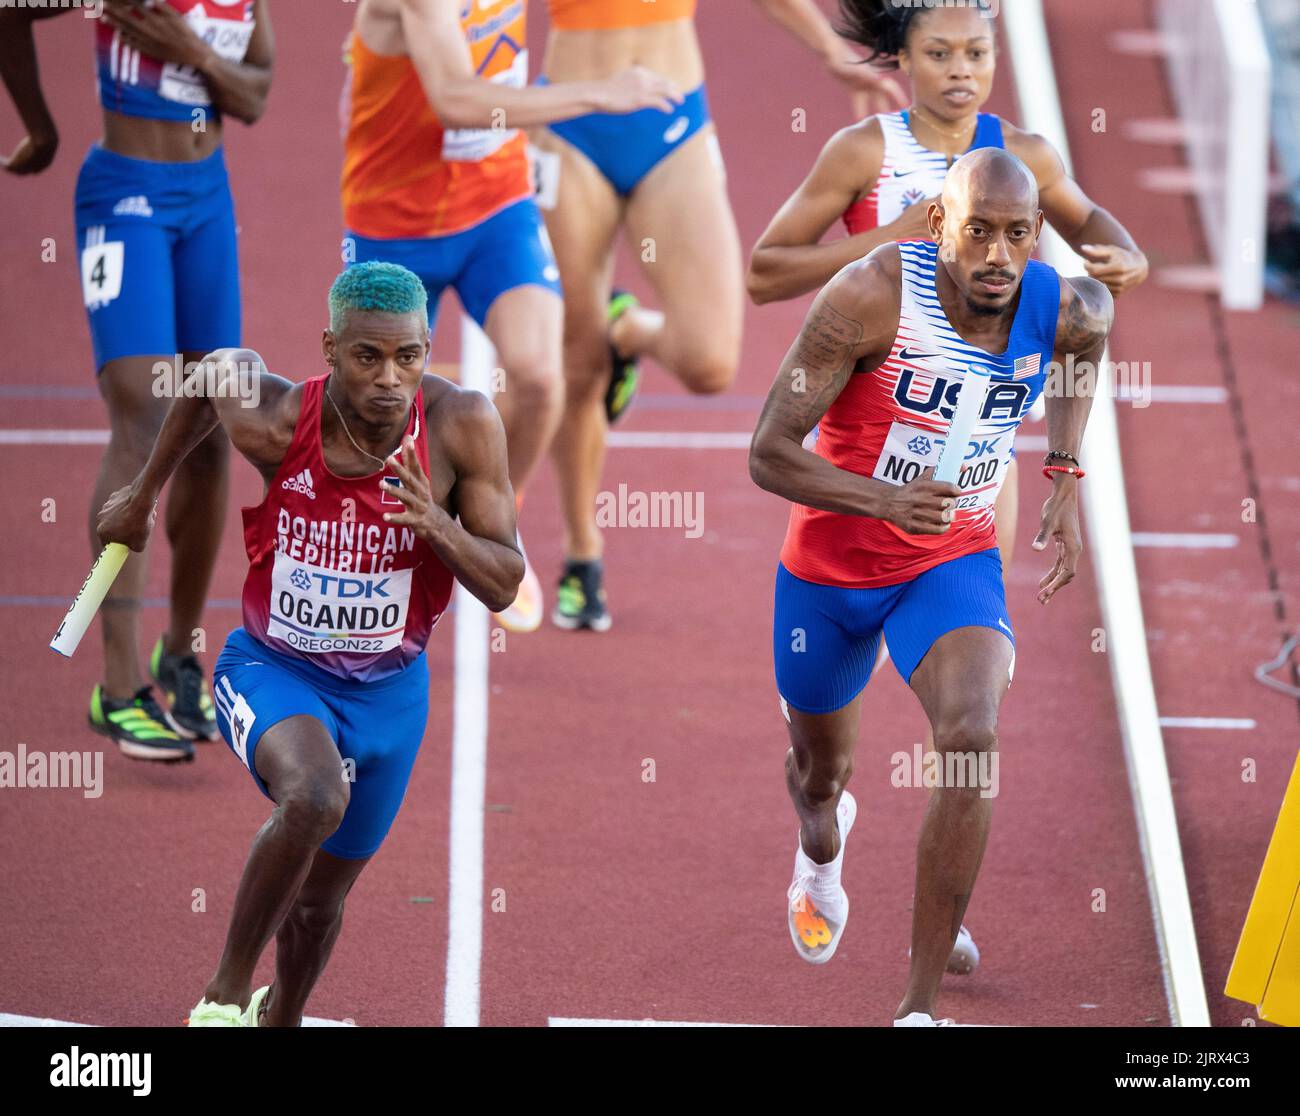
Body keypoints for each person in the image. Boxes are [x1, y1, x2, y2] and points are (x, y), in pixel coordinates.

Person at [97, 261, 524, 1026]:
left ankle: (280, 1017)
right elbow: (210, 374)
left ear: (428, 350)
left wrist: (437, 526)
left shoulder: (463, 426)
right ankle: (223, 998)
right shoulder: (280, 418)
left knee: (320, 907)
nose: (390, 379)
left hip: (390, 700)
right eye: (367, 357)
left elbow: (505, 582)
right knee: (315, 797)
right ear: (331, 348)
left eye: (408, 356)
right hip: (273, 667)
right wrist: (141, 495)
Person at [748, 149, 1112, 1025]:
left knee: (971, 736)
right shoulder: (870, 297)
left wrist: (1064, 470)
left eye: (1018, 235)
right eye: (978, 230)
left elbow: (1084, 347)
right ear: (939, 223)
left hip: (950, 560)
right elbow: (767, 451)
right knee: (819, 775)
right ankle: (821, 847)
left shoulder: (1068, 304)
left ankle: (915, 1006)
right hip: (831, 569)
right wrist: (884, 498)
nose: (997, 255)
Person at [532, 0, 905, 632]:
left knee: (709, 360)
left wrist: (826, 47)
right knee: (577, 357)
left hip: (672, 121)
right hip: (572, 116)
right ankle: (582, 552)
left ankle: (630, 330)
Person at [340, 0, 678, 633]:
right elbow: (458, 100)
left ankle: (495, 516)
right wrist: (601, 93)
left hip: (496, 209)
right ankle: (353, 576)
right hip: (393, 223)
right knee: (371, 414)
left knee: (539, 378)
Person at [0, 0, 275, 760]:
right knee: (147, 415)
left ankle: (180, 657)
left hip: (207, 200)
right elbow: (8, 15)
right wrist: (43, 127)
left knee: (216, 425)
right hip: (125, 202)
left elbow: (255, 95)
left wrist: (194, 51)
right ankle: (117, 689)